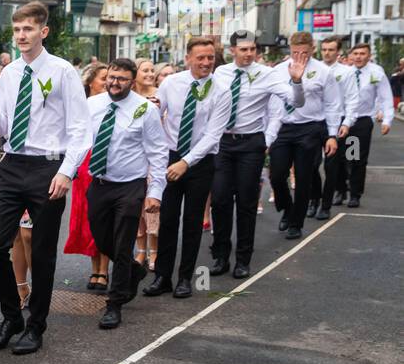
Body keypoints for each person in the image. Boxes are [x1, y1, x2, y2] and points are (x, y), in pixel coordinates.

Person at [0, 2, 90, 355]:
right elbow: (5, 128)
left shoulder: (63, 71)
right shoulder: (10, 74)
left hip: (48, 168)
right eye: (17, 29)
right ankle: (12, 317)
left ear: (43, 32)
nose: (21, 36)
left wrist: (67, 172)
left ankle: (36, 325)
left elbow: (81, 129)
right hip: (13, 164)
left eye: (28, 29)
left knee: (41, 253)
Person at [207, 31, 305, 276]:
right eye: (243, 49)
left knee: (246, 203)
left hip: (251, 145)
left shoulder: (267, 74)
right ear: (233, 51)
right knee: (219, 200)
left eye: (252, 49)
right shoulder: (221, 73)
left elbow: (297, 102)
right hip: (223, 143)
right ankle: (220, 255)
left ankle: (243, 260)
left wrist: (297, 81)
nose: (249, 53)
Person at [83, 58, 168, 329]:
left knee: (121, 244)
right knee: (101, 237)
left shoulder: (145, 109)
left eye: (121, 79)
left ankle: (115, 302)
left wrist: (155, 192)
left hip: (130, 186)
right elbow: (77, 138)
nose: (114, 83)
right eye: (111, 77)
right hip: (99, 183)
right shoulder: (92, 105)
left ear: (132, 82)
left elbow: (157, 152)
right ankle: (134, 269)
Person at [143, 37, 230, 300]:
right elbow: (156, 116)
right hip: (171, 156)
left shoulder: (222, 90)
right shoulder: (172, 83)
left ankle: (184, 278)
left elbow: (213, 135)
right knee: (167, 219)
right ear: (188, 58)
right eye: (201, 57)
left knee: (192, 222)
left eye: (210, 58)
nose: (206, 62)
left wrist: (186, 162)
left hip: (200, 162)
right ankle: (162, 276)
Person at [265, 32, 349, 236]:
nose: (300, 56)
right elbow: (269, 103)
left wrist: (331, 135)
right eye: (295, 52)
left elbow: (332, 104)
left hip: (310, 128)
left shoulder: (322, 71)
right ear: (290, 50)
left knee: (304, 178)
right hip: (283, 128)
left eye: (304, 52)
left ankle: (296, 223)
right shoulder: (277, 71)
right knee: (277, 175)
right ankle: (287, 208)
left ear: (312, 49)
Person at [66, 63, 110, 291]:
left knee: (104, 216)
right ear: (91, 81)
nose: (108, 82)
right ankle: (95, 268)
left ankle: (104, 270)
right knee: (88, 218)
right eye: (103, 78)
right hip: (84, 163)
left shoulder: (115, 104)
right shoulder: (82, 105)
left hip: (107, 161)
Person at [343, 43, 394, 206]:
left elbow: (386, 96)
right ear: (351, 56)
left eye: (362, 53)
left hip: (362, 120)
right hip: (343, 120)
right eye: (355, 53)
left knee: (356, 157)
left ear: (369, 55)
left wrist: (387, 119)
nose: (358, 57)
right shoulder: (346, 73)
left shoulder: (376, 72)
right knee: (341, 158)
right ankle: (340, 189)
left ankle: (355, 193)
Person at [316, 37, 359, 213]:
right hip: (316, 121)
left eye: (331, 50)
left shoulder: (347, 72)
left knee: (342, 161)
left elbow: (352, 99)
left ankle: (332, 199)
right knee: (312, 165)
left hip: (340, 121)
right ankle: (314, 199)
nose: (327, 53)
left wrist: (347, 122)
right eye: (324, 49)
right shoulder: (315, 69)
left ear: (338, 52)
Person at [132, 57, 164, 269]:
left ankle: (155, 252)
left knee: (152, 207)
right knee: (135, 206)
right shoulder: (130, 96)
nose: (150, 74)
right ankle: (140, 251)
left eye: (152, 70)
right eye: (145, 70)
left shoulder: (160, 95)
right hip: (134, 156)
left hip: (153, 155)